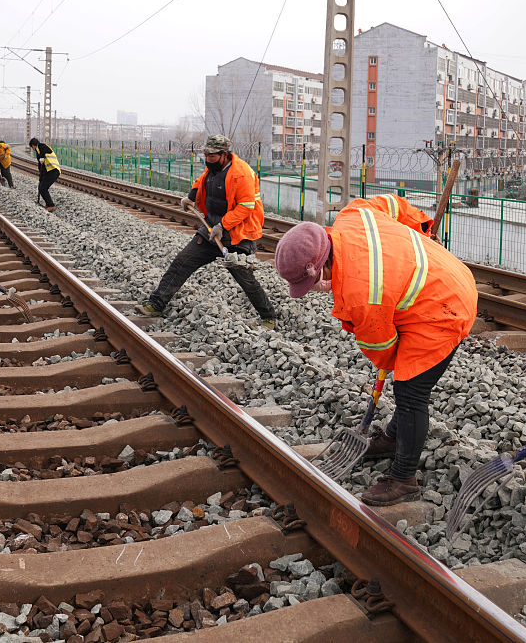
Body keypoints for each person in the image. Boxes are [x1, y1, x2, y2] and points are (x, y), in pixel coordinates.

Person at [273, 196, 477, 506]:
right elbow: (391, 205)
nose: (313, 289)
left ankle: (404, 478)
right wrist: (421, 225)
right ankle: (394, 437)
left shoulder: (360, 293)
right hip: (444, 272)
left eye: (310, 283)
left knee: (411, 392)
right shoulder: (351, 215)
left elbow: (383, 350)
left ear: (319, 268)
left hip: (444, 307)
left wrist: (395, 359)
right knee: (407, 382)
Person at [134, 135, 276, 328]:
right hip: (210, 229)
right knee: (182, 262)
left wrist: (222, 227)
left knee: (244, 277)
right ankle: (156, 304)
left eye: (211, 155)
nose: (207, 159)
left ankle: (269, 316)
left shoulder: (241, 173)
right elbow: (201, 181)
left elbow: (246, 206)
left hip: (237, 234)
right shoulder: (213, 167)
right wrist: (190, 197)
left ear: (223, 154)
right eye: (206, 154)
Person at [28, 137, 61, 211]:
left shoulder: (41, 146)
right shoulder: (38, 152)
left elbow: (45, 149)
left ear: (33, 145)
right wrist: (41, 176)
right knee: (41, 187)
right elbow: (40, 166)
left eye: (32, 147)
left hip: (53, 170)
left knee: (43, 188)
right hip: (48, 171)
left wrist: (42, 157)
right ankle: (48, 204)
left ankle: (51, 205)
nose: (32, 149)